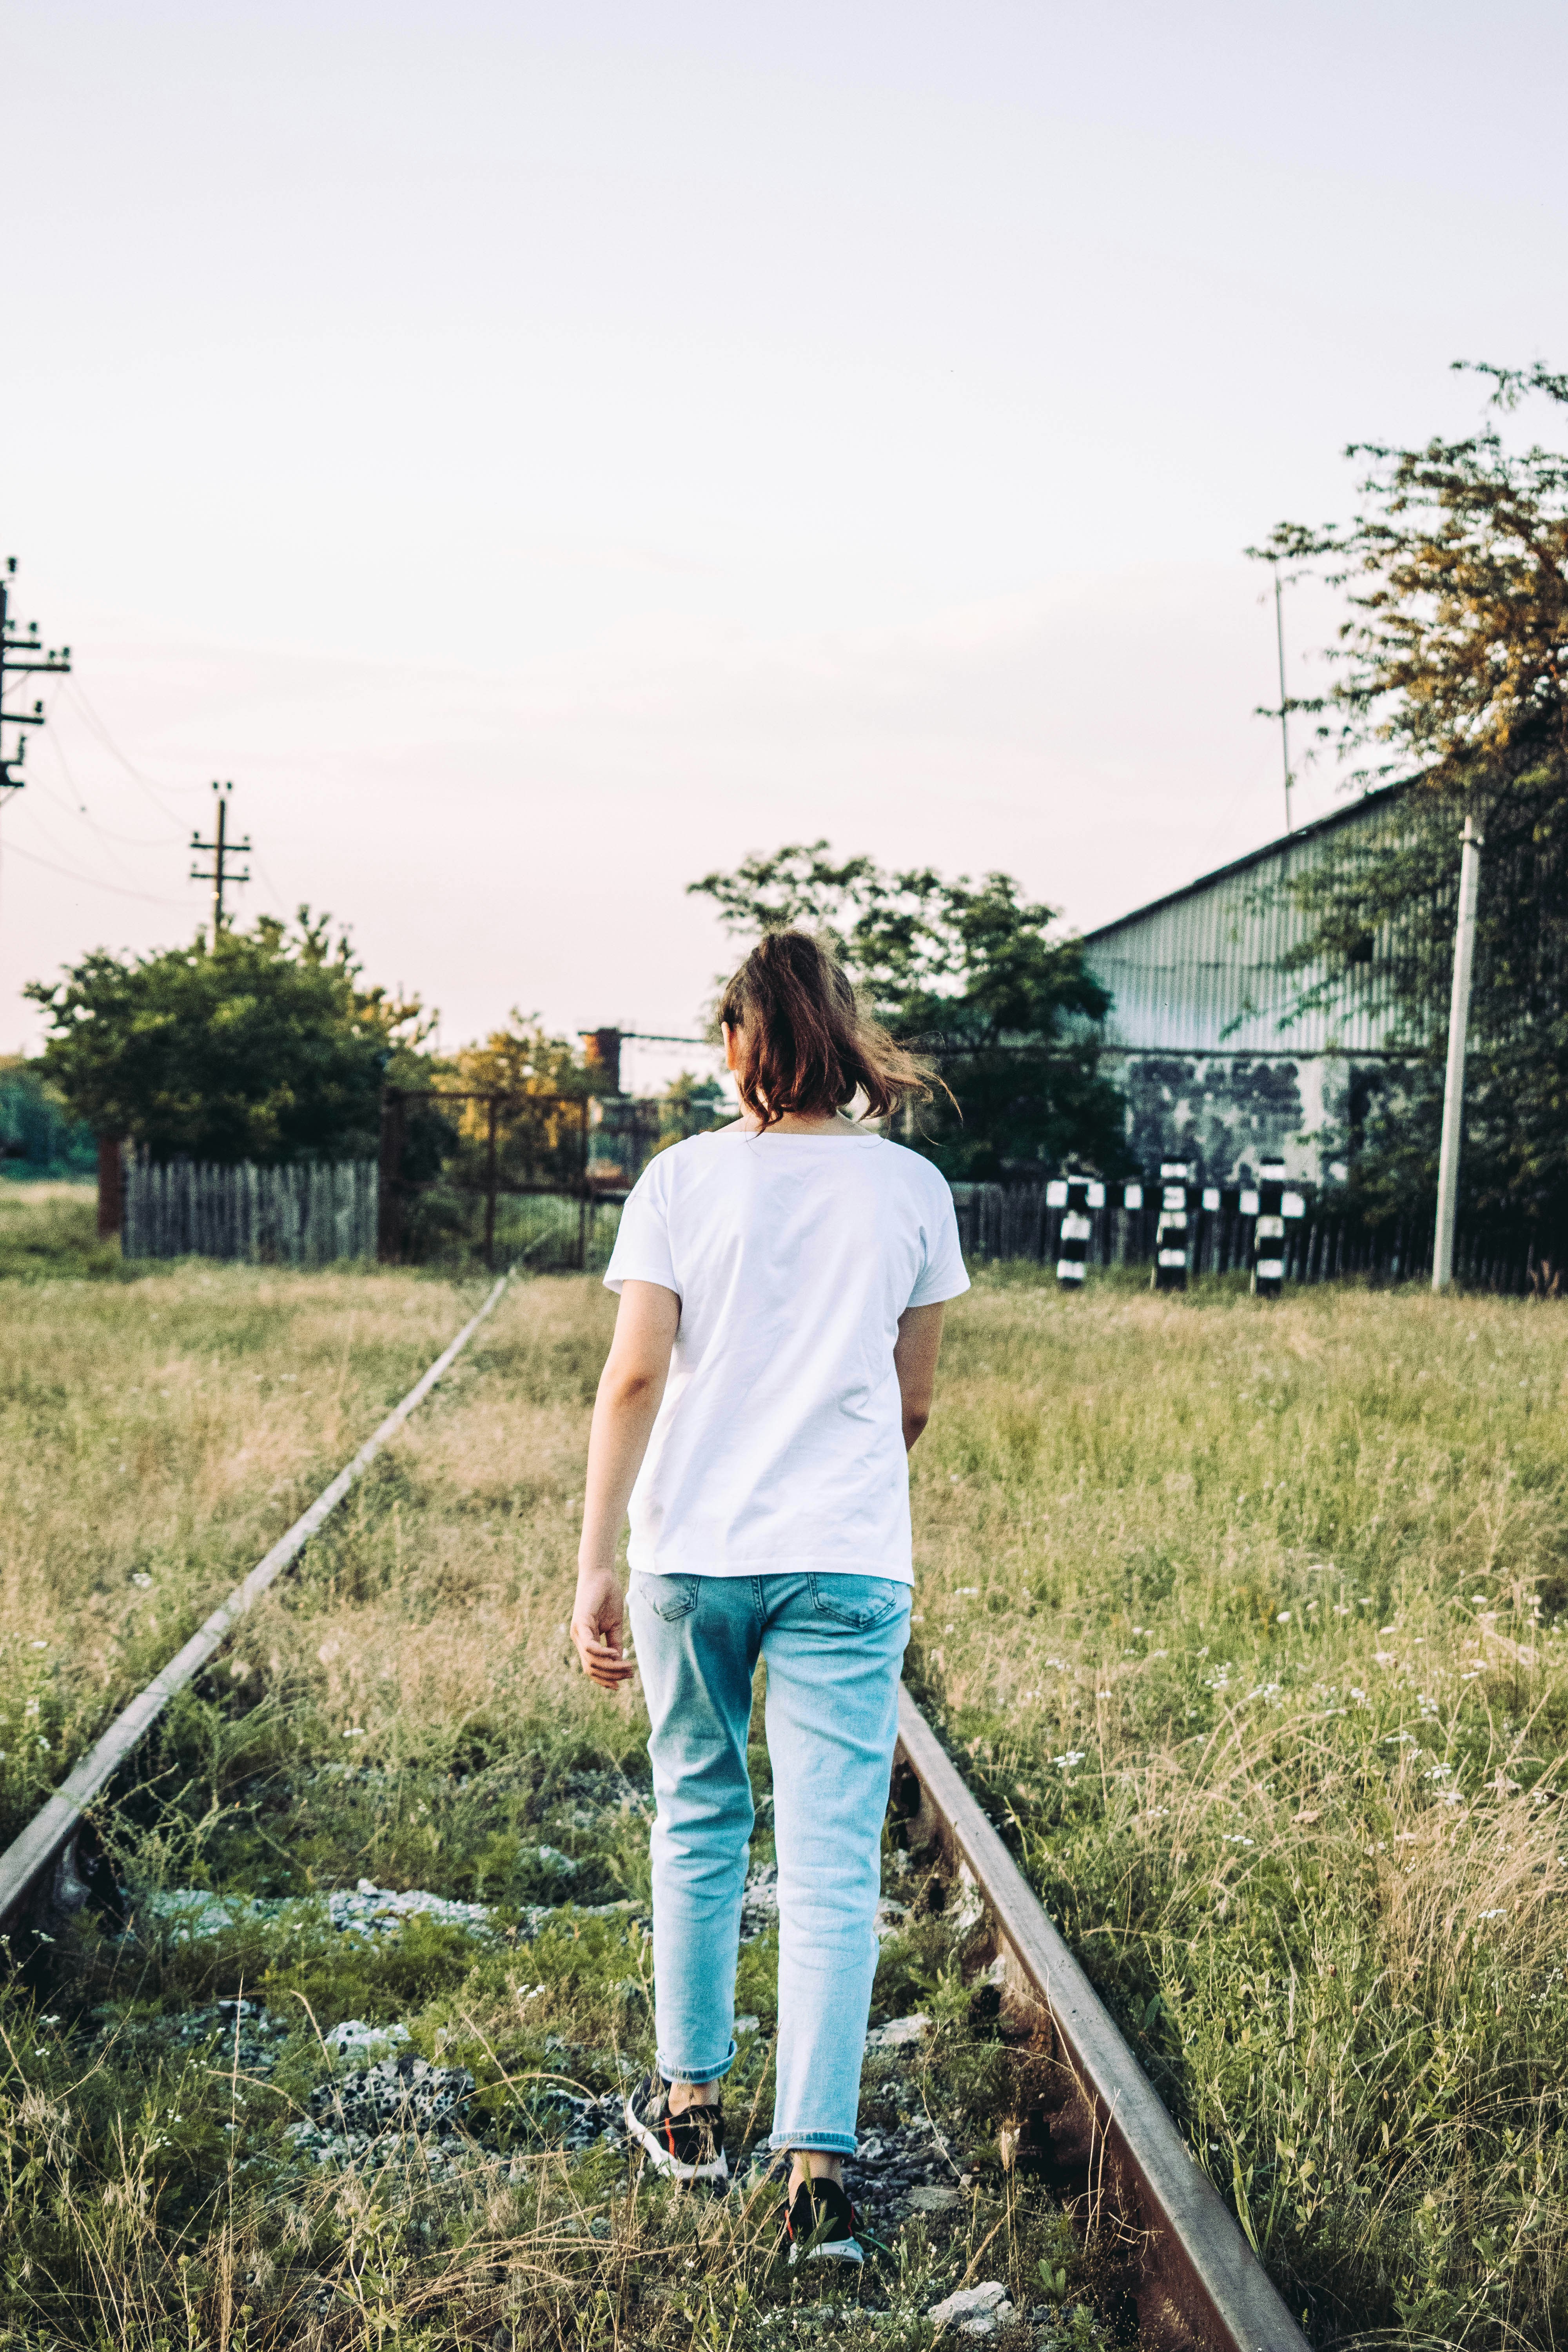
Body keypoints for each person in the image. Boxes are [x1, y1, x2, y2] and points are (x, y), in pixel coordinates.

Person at [571, 928, 969, 2265]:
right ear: (843, 1038)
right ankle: (816, 2164)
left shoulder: (681, 1181)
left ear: (743, 1044)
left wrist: (596, 1561)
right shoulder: (911, 1186)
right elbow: (911, 1402)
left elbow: (632, 1382)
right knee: (832, 1853)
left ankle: (688, 2113)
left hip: (693, 1549)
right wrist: (835, 1480)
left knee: (699, 1812)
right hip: (848, 1554)